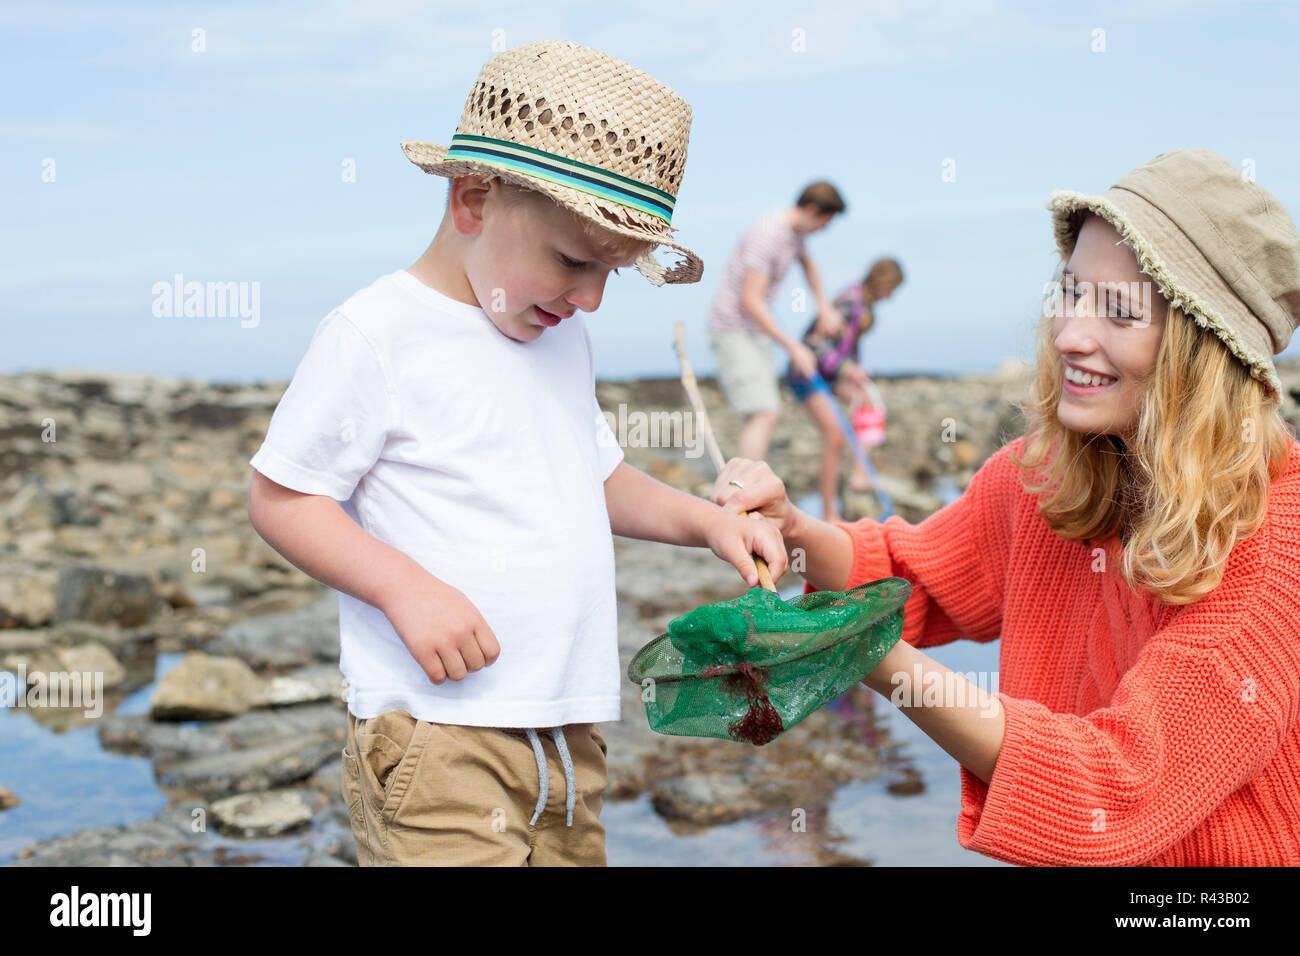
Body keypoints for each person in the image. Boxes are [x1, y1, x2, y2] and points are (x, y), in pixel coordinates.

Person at [245, 40, 787, 867]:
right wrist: (404, 587)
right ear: (472, 198)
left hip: (570, 735)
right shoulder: (379, 333)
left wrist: (703, 523)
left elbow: (597, 477)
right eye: (574, 261)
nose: (591, 298)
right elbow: (283, 499)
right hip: (438, 743)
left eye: (615, 273)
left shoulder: (557, 338)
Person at [710, 149, 1300, 865]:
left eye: (1118, 311)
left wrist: (867, 651)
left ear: (1203, 348)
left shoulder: (1275, 545)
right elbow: (908, 576)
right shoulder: (1050, 474)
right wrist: (794, 530)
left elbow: (1109, 791)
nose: (1069, 334)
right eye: (1072, 292)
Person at [706, 182, 847, 461]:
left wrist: (823, 305)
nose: (824, 229)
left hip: (754, 331)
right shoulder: (767, 235)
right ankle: (743, 497)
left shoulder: (794, 234)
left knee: (764, 412)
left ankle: (747, 493)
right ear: (811, 210)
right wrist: (793, 347)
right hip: (733, 329)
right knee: (763, 413)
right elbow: (751, 300)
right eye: (825, 222)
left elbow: (808, 265)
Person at [783, 257, 904, 521]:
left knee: (870, 401)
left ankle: (859, 475)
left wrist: (854, 372)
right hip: (806, 372)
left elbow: (848, 347)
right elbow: (816, 344)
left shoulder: (863, 304)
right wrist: (850, 370)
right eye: (892, 289)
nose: (891, 296)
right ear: (885, 282)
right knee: (835, 435)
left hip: (829, 373)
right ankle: (830, 512)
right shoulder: (850, 303)